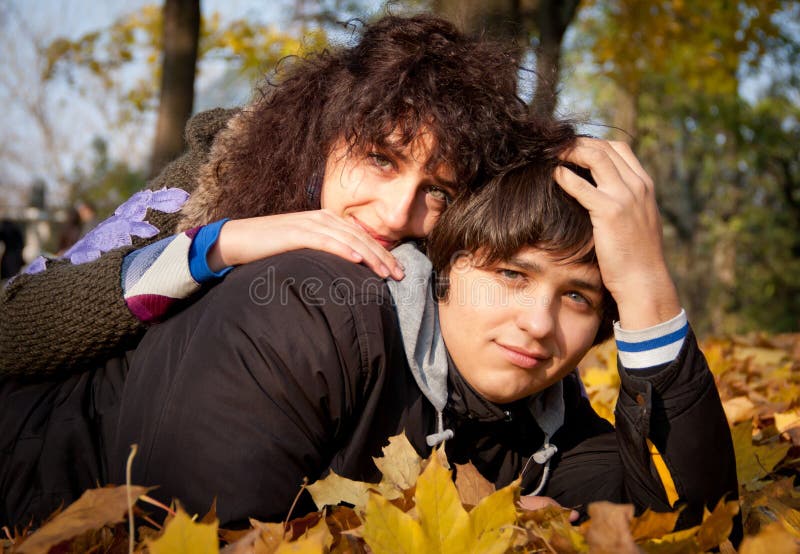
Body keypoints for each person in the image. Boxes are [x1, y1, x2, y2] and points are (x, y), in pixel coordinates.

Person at [1, 129, 739, 538]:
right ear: (445, 262)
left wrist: (647, 287)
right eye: (511, 275)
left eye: (577, 297)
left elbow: (694, 527)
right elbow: (201, 535)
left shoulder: (541, 413)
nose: (538, 324)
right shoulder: (305, 306)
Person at [0, 13, 536, 376]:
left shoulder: (456, 248)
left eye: (436, 191)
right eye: (380, 160)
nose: (397, 213)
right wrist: (216, 245)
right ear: (329, 131)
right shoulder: (216, 175)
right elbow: (13, 327)